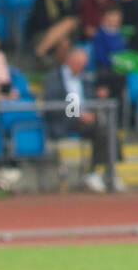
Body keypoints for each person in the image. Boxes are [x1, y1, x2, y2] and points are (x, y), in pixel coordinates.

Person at [45, 46, 125, 192]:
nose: (81, 67)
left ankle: (108, 171)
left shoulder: (84, 78)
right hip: (65, 119)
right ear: (69, 60)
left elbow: (90, 98)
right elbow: (52, 100)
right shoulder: (54, 77)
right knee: (102, 130)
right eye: (78, 63)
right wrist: (78, 113)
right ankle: (95, 172)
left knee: (108, 130)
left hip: (86, 118)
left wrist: (97, 97)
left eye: (83, 64)